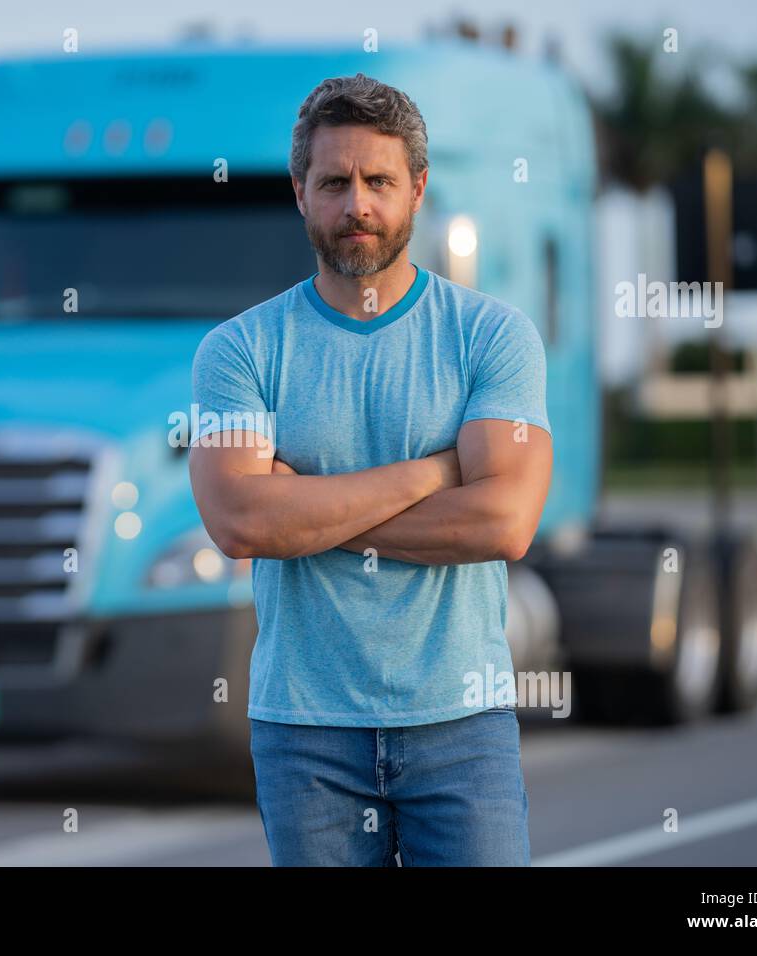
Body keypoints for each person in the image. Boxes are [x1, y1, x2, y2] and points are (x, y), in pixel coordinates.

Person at [188, 73, 553, 866]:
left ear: (417, 189)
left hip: (461, 725)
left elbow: (506, 522)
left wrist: (306, 510)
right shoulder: (239, 351)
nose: (358, 204)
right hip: (304, 734)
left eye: (379, 181)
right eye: (335, 182)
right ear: (300, 192)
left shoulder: (492, 338)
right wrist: (435, 472)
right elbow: (241, 523)